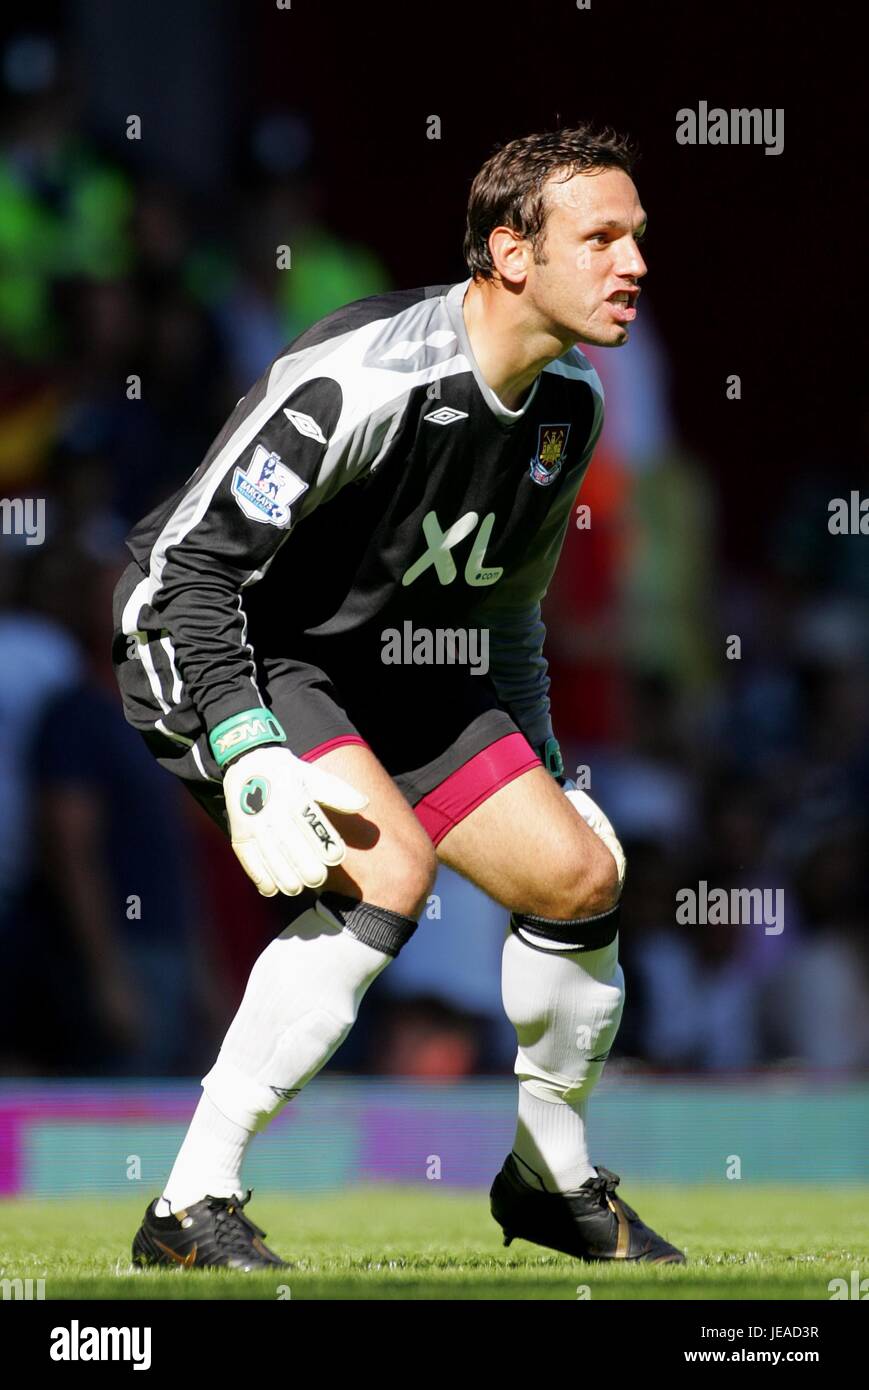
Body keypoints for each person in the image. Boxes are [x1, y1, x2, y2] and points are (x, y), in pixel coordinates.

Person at [112, 123, 684, 1268]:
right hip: (231, 639)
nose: (633, 264)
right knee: (390, 873)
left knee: (579, 875)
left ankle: (546, 1180)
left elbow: (507, 618)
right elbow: (188, 568)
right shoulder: (358, 375)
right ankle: (184, 1205)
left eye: (637, 238)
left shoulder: (570, 409)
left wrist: (553, 771)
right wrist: (247, 743)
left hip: (402, 662)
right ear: (511, 255)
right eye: (602, 237)